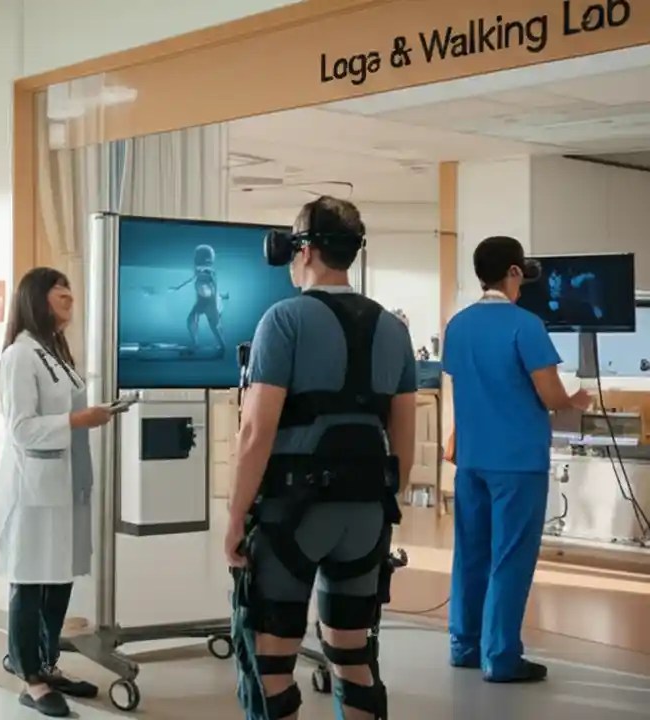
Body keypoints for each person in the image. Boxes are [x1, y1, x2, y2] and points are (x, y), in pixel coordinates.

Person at [225, 196, 415, 720]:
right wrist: (379, 507)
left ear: (304, 250)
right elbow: (406, 444)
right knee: (354, 655)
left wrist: (236, 513)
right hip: (366, 514)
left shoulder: (283, 320)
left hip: (295, 509)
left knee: (272, 662)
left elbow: (255, 432)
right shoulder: (393, 329)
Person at [443, 236, 590, 683]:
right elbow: (549, 395)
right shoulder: (525, 325)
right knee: (510, 557)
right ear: (512, 272)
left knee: (470, 554)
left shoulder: (458, 325)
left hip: (471, 460)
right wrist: (576, 400)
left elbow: (465, 385)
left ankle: (464, 646)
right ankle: (501, 658)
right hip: (517, 462)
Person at [0, 267, 109, 718]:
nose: (69, 294)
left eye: (69, 287)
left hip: (65, 481)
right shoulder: (19, 356)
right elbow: (21, 429)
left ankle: (48, 663)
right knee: (30, 580)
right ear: (35, 299)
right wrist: (79, 421)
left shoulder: (55, 353)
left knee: (58, 576)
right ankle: (29, 677)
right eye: (58, 289)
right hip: (33, 488)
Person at [172, 243, 228, 351]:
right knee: (191, 320)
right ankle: (195, 343)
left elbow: (213, 284)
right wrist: (177, 287)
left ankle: (222, 346)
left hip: (211, 303)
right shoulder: (199, 271)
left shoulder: (208, 271)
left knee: (214, 326)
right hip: (202, 301)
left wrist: (218, 299)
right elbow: (192, 278)